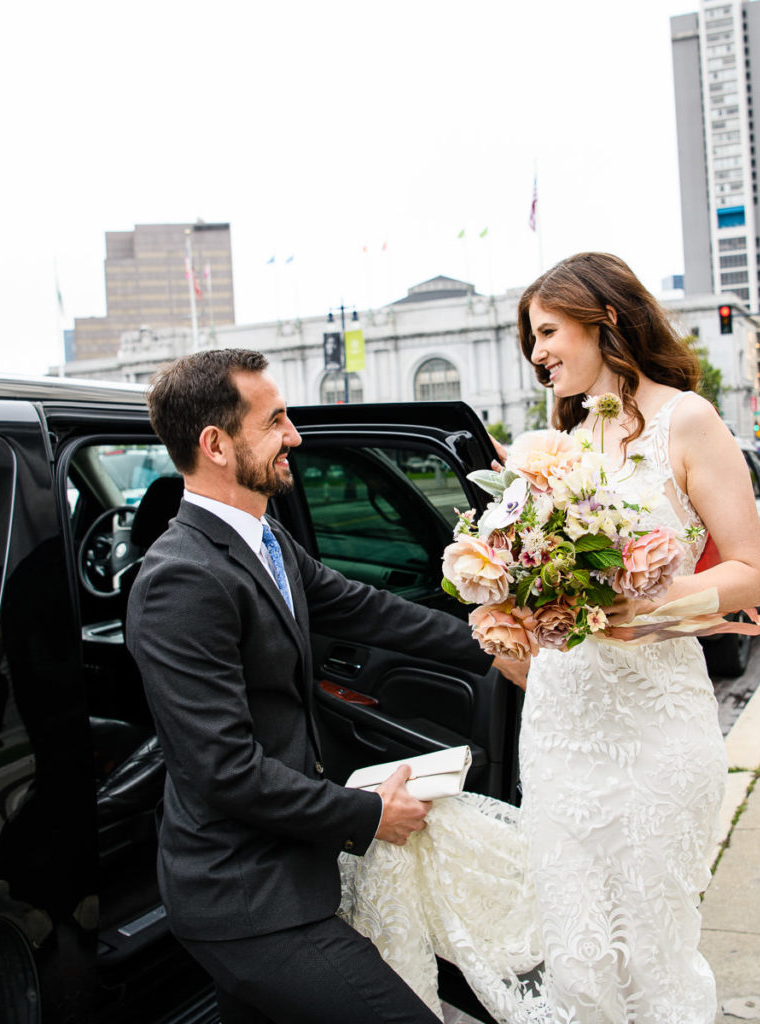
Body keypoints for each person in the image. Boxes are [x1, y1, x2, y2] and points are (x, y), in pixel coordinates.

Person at [346, 253, 760, 1022]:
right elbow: (543, 580)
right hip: (560, 720)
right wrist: (513, 617)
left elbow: (750, 572)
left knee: (652, 944)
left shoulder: (689, 420)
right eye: (530, 338)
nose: (537, 351)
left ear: (603, 318)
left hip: (655, 725)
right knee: (575, 942)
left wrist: (639, 606)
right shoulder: (555, 444)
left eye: (547, 331)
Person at [126, 348, 526, 1024]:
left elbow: (365, 609)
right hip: (244, 897)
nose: (296, 437)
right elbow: (225, 769)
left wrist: (495, 647)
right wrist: (369, 816)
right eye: (276, 421)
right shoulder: (181, 581)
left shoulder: (267, 540)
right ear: (216, 445)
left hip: (284, 872)